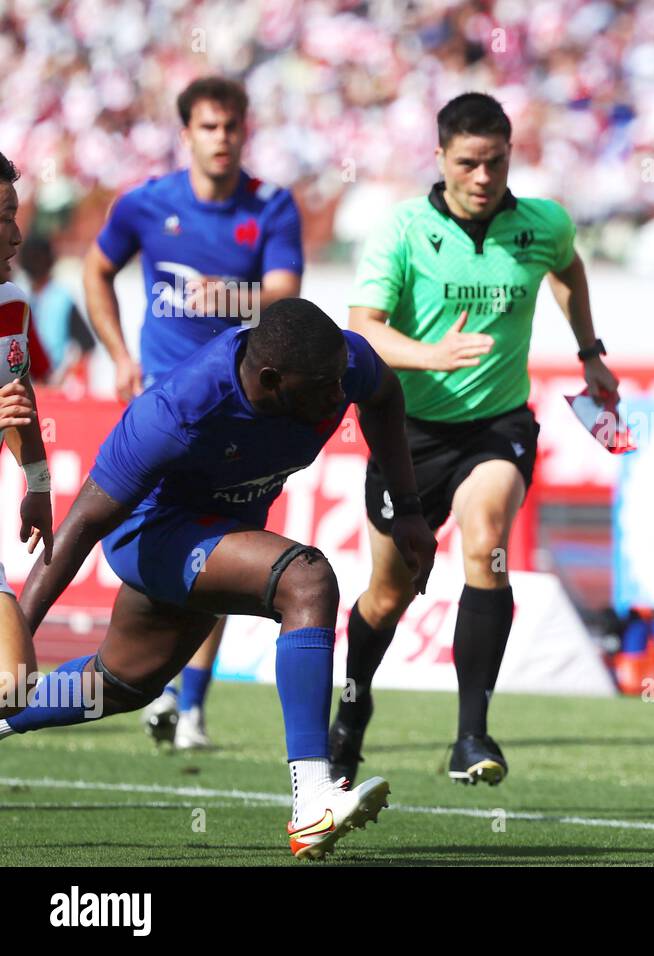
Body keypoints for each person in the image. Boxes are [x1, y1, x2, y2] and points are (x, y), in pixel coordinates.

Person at [9, 298, 436, 858]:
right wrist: (11, 646)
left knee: (121, 684)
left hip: (221, 530)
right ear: (269, 379)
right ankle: (312, 800)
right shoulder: (177, 410)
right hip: (153, 536)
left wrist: (407, 506)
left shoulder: (337, 361)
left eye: (340, 381)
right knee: (306, 581)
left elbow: (383, 395)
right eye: (324, 388)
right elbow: (82, 524)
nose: (339, 396)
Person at [331, 92, 620, 787]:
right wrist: (428, 356)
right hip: (410, 434)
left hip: (497, 423)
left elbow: (569, 269)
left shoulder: (543, 223)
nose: (484, 177)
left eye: (496, 162)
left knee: (485, 535)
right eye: (469, 163)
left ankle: (471, 736)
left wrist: (590, 351)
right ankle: (350, 713)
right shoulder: (399, 230)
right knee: (386, 597)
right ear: (440, 159)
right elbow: (361, 328)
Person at [83, 76, 304, 749]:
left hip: (242, 409)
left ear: (246, 130)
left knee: (225, 543)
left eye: (232, 127)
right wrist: (118, 353)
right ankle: (132, 677)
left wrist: (231, 299)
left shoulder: (272, 207)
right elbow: (95, 271)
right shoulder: (146, 204)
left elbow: (286, 299)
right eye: (208, 127)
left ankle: (190, 705)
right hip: (163, 409)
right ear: (186, 133)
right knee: (153, 536)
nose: (221, 139)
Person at [0, 152, 55, 718]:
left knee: (13, 685)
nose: (16, 235)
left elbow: (18, 398)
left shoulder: (10, 305)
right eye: (1, 219)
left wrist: (36, 481)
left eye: (14, 215)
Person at [18, 236, 96, 388]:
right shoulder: (21, 296)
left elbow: (87, 345)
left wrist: (63, 377)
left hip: (54, 384)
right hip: (26, 383)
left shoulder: (62, 299)